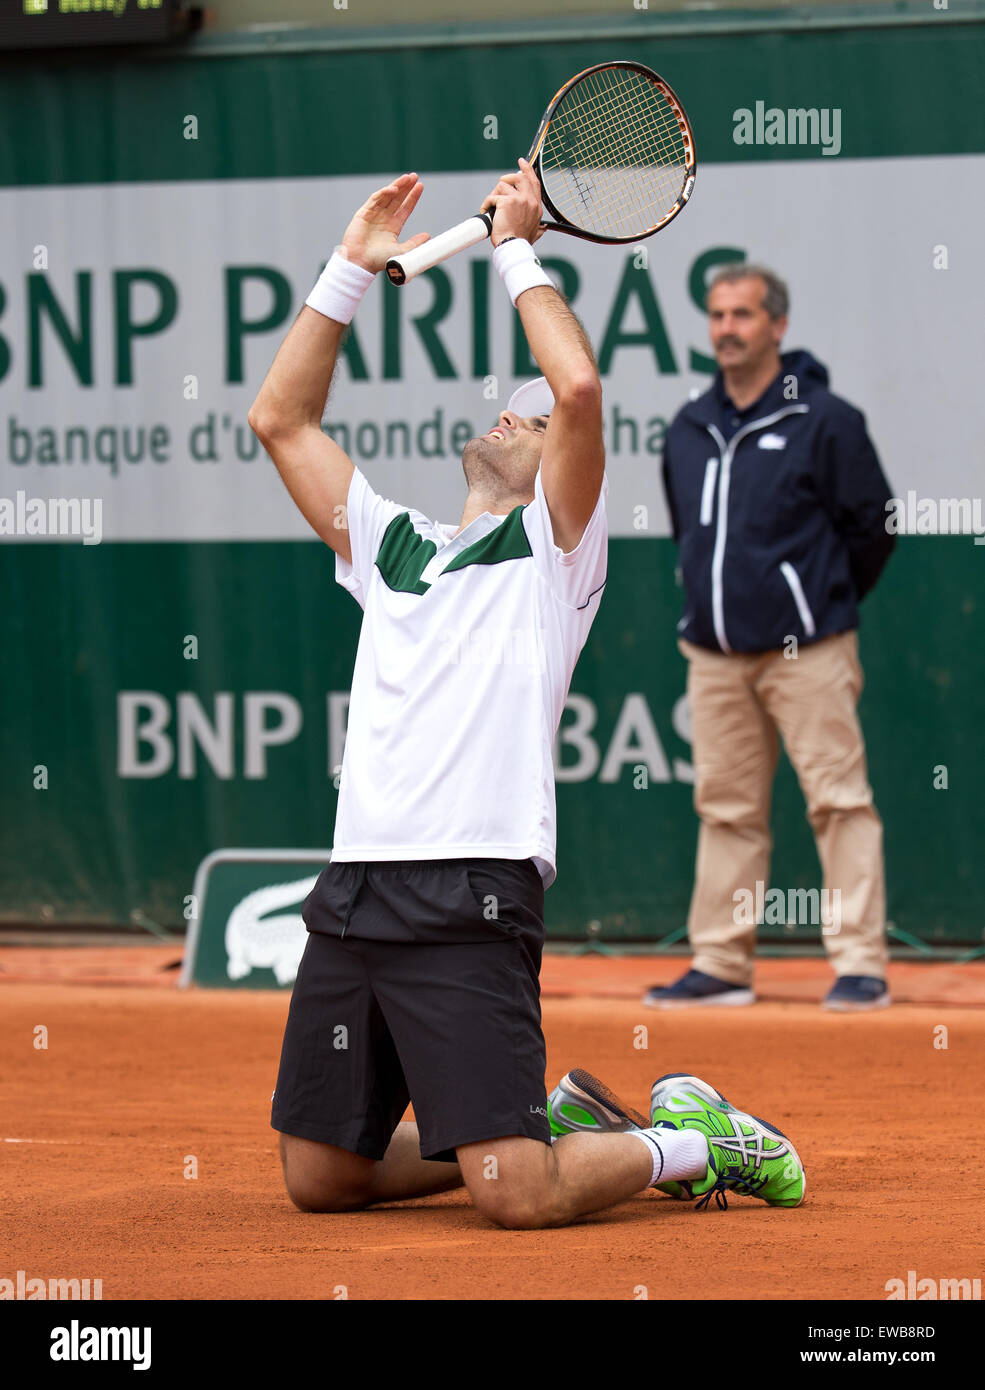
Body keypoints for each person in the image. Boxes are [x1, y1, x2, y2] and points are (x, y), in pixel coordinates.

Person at [248, 168, 805, 1227]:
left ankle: (693, 1141)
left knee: (516, 1195)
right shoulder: (390, 544)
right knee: (321, 1179)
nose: (519, 416)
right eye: (510, 407)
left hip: (471, 889)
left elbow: (581, 391)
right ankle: (534, 1117)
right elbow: (281, 418)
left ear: (563, 468)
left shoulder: (555, 549)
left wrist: (514, 246)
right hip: (358, 886)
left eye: (533, 419)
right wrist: (347, 271)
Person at [647, 264, 895, 1013]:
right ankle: (721, 962)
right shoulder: (689, 426)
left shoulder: (826, 420)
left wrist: (812, 603)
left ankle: (860, 964)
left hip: (808, 650)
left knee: (838, 802)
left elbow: (871, 529)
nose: (726, 328)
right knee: (724, 810)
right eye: (717, 315)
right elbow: (687, 532)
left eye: (742, 315)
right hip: (713, 656)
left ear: (776, 327)